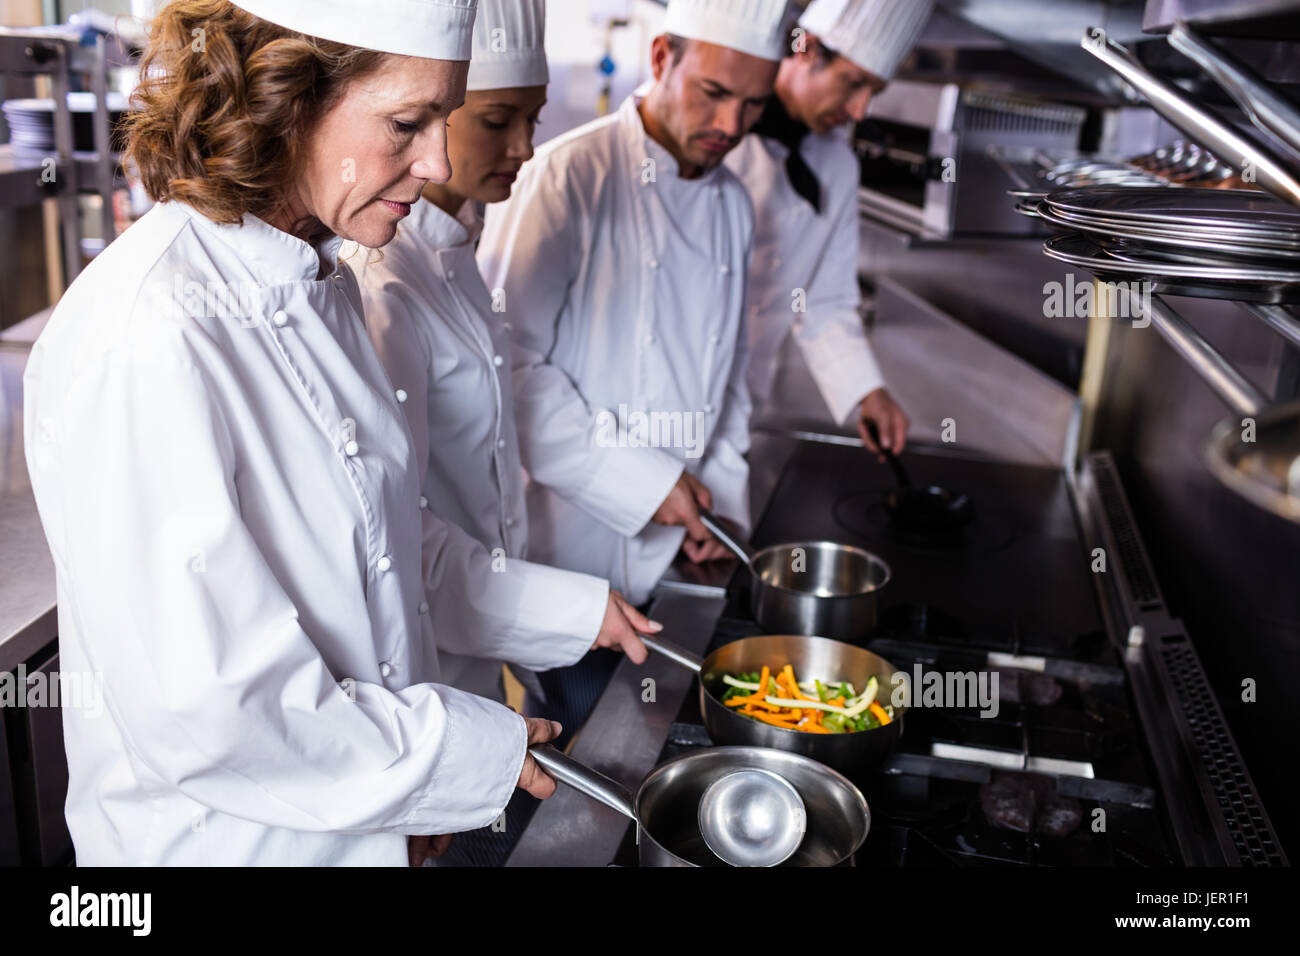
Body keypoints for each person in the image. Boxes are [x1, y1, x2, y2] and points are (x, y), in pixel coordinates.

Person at [22, 0, 559, 867]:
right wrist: (452, 763)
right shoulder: (149, 333)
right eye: (407, 122)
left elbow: (384, 542)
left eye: (446, 118)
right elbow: (212, 709)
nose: (440, 161)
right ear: (284, 98)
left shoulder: (322, 280)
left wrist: (416, 799)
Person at [354, 0, 708, 716]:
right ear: (431, 113)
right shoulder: (383, 282)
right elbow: (398, 536)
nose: (524, 147)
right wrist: (568, 609)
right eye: (496, 120)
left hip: (480, 647)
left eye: (533, 119)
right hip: (423, 673)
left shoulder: (455, 251)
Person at [476, 0, 789, 740]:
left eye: (753, 104)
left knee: (662, 749)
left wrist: (719, 507)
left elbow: (730, 374)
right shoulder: (566, 176)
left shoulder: (735, 203)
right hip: (575, 562)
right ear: (661, 61)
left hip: (683, 554)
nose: (733, 124)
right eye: (714, 93)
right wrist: (646, 486)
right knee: (593, 754)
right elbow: (510, 376)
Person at [725, 0, 932, 458]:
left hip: (740, 418)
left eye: (873, 91)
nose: (860, 110)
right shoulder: (717, 140)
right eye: (854, 83)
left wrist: (865, 389)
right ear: (806, 49)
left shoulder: (836, 165)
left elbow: (824, 300)